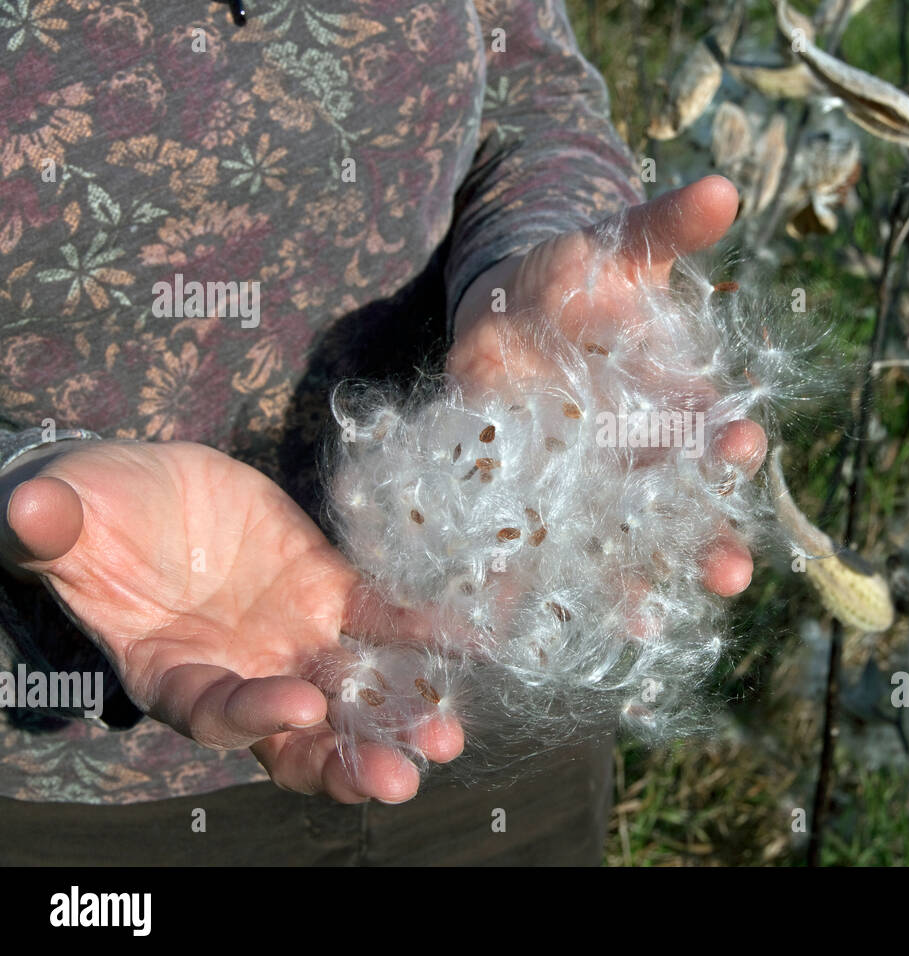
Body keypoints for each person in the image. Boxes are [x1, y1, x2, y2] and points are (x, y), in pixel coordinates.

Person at [0, 0, 763, 864]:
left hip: (491, 670)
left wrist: (523, 270)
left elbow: (528, 85)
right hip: (90, 795)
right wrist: (22, 472)